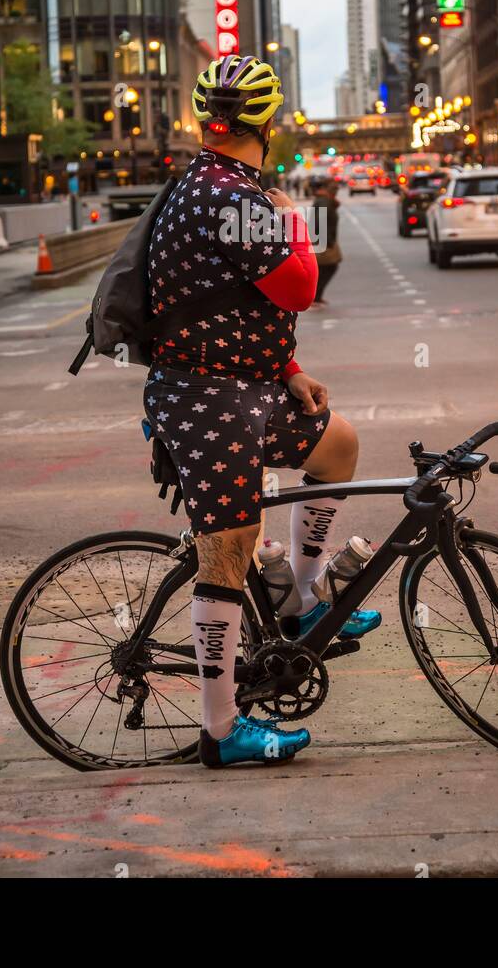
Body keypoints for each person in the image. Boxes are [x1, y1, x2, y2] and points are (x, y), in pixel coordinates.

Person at [143, 54, 377, 770]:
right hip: (206, 400)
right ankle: (221, 733)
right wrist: (290, 219)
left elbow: (222, 302)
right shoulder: (240, 198)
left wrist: (290, 371)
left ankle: (305, 600)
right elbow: (299, 288)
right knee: (229, 551)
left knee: (336, 443)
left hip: (245, 388)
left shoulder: (208, 184)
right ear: (266, 124)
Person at [310, 176, 342, 306]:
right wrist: (326, 240)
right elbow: (319, 221)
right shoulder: (324, 201)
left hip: (325, 239)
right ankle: (314, 296)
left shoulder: (326, 200)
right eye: (334, 188)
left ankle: (316, 296)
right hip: (323, 240)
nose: (336, 191)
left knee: (328, 266)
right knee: (327, 266)